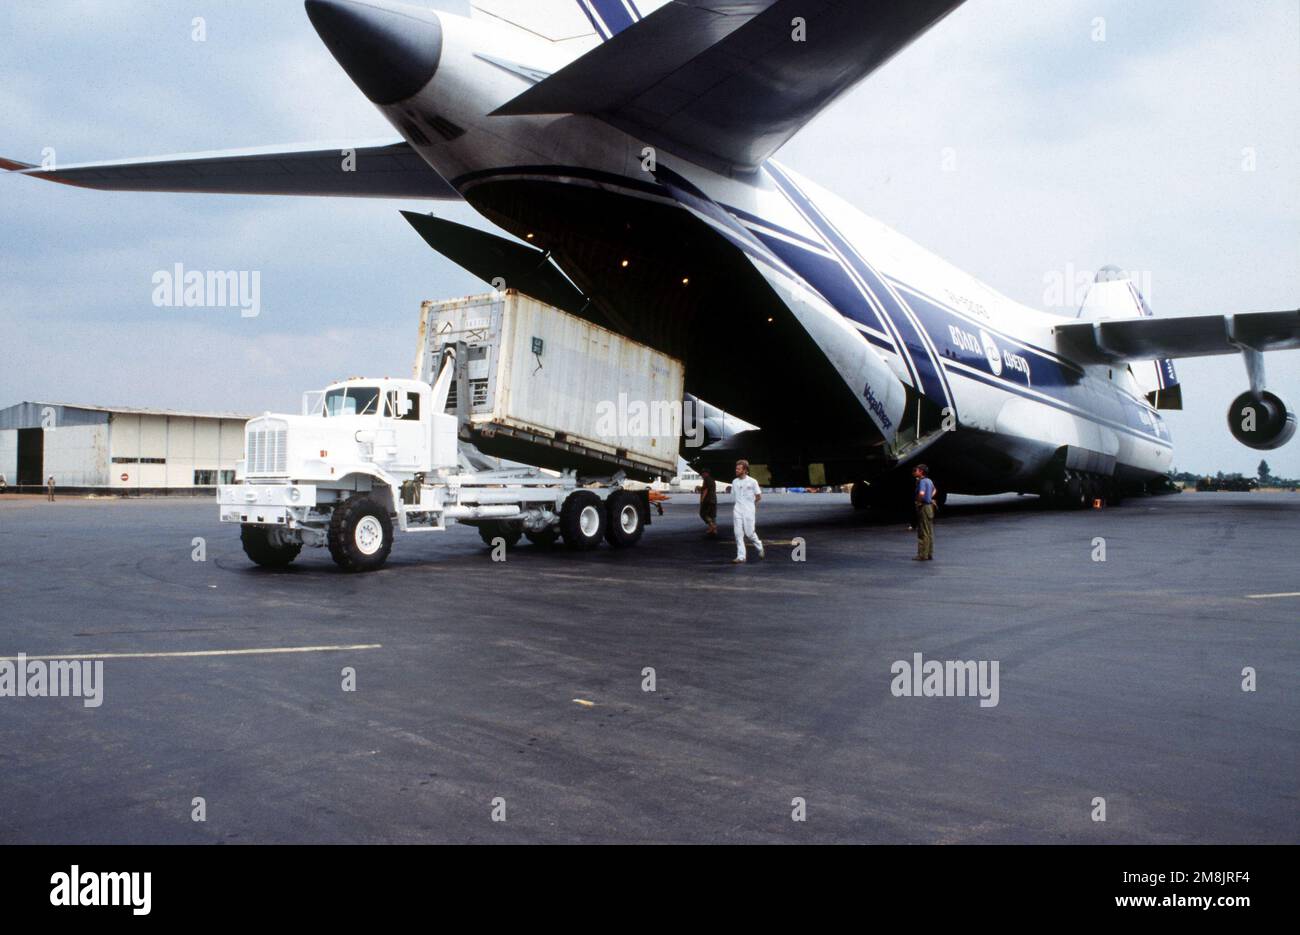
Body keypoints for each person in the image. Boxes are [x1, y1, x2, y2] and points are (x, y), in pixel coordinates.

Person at [730, 460, 764, 563]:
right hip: (737, 510)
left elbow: (758, 496)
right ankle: (741, 557)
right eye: (736, 468)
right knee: (738, 534)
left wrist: (751, 505)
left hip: (749, 511)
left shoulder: (753, 481)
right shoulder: (734, 482)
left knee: (749, 533)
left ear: (744, 470)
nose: (736, 470)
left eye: (738, 469)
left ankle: (759, 546)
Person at [912, 464, 936, 561]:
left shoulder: (922, 481)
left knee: (923, 532)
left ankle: (922, 554)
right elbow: (934, 490)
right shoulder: (929, 480)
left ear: (921, 472)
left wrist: (919, 501)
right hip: (930, 507)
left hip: (924, 507)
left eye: (916, 470)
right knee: (929, 531)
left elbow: (921, 493)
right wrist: (929, 496)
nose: (914, 472)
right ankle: (929, 553)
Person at [697, 468, 718, 536]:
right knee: (712, 515)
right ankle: (713, 531)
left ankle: (712, 526)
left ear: (706, 473)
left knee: (703, 514)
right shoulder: (712, 480)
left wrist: (702, 500)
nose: (702, 475)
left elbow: (706, 490)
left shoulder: (706, 479)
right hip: (713, 500)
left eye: (702, 474)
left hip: (707, 500)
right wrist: (700, 488)